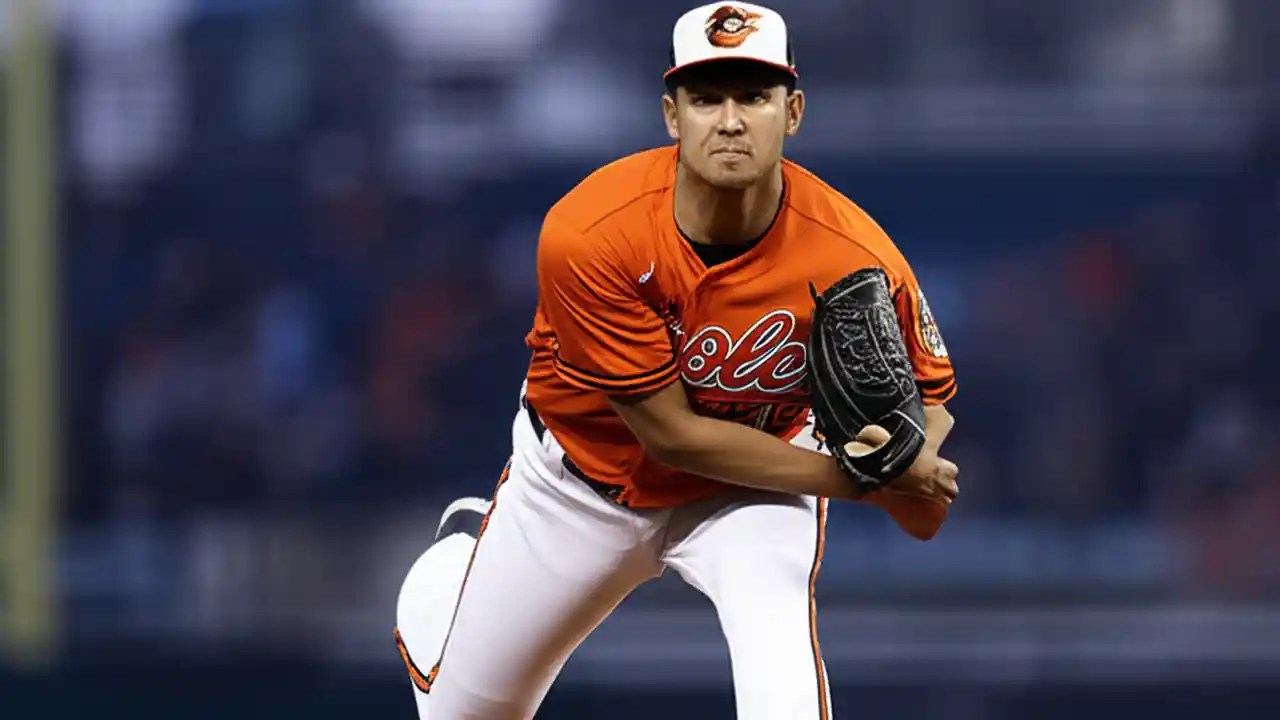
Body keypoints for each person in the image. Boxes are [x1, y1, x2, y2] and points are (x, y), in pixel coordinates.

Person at [393, 3, 960, 718]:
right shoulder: (591, 232)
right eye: (706, 98)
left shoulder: (854, 251)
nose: (731, 120)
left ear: (793, 112)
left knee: (778, 674)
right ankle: (453, 566)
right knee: (467, 713)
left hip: (752, 487)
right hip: (583, 485)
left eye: (753, 96)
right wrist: (867, 479)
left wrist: (914, 454)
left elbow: (931, 397)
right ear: (672, 115)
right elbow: (671, 436)